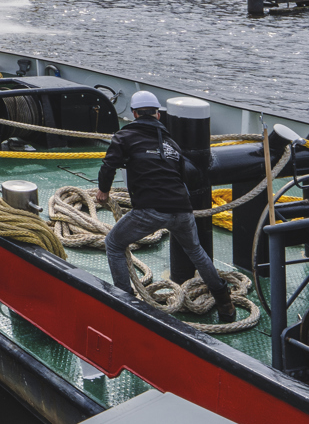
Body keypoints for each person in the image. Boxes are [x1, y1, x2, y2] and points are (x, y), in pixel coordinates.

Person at [96, 91, 234, 320]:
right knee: (196, 251)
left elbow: (109, 165)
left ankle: (125, 300)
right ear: (157, 115)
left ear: (134, 114)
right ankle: (225, 303)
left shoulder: (125, 136)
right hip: (182, 209)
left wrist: (103, 190)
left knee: (113, 243)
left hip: (151, 210)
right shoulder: (171, 144)